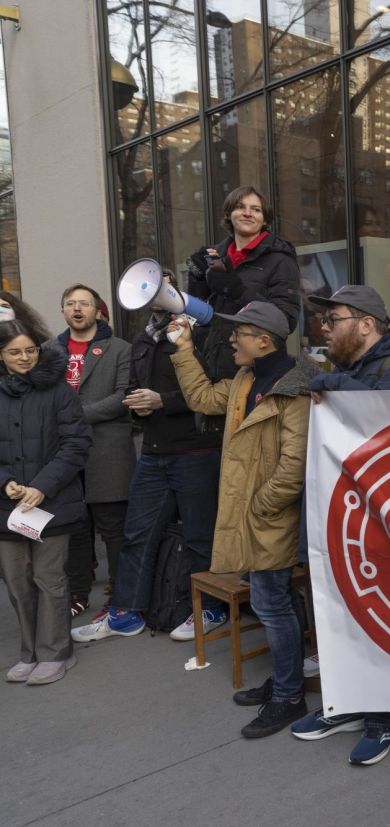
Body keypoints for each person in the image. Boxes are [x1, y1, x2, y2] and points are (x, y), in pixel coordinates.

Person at [289, 284, 390, 766]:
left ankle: (383, 716)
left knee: (381, 614)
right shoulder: (348, 369)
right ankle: (344, 703)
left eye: (336, 320)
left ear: (367, 324)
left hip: (382, 521)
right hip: (341, 513)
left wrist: (330, 383)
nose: (326, 329)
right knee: (337, 613)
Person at [168, 301, 318, 739]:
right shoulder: (245, 380)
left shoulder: (295, 390)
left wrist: (261, 507)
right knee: (279, 601)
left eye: (241, 333)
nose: (233, 338)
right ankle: (287, 681)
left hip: (271, 516)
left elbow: (294, 462)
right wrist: (183, 348)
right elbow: (200, 397)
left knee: (271, 604)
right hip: (255, 515)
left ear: (264, 340)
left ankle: (289, 696)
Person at [72, 273, 227, 644]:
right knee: (137, 533)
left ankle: (211, 606)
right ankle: (126, 611)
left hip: (196, 449)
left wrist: (163, 401)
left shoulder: (203, 331)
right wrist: (134, 405)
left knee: (199, 535)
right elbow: (132, 386)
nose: (154, 291)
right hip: (155, 450)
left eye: (162, 283)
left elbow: (217, 389)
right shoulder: (144, 337)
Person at [0, 323, 91, 685]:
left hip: (52, 503)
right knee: (17, 581)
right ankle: (31, 652)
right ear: (1, 355)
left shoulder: (58, 390)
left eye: (30, 350)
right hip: (8, 507)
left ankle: (56, 652)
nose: (24, 358)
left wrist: (41, 486)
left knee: (48, 578)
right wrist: (5, 483)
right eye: (15, 352)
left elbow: (77, 443)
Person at [56, 284, 133, 616]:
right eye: (70, 303)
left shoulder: (120, 349)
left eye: (84, 303)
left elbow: (123, 397)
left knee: (113, 527)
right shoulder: (47, 350)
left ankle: (120, 592)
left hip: (108, 450)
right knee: (74, 526)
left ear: (97, 310)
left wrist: (72, 417)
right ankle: (78, 592)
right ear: (63, 311)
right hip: (62, 453)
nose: (77, 309)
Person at [186, 185, 300, 381]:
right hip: (210, 366)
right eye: (240, 207)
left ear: (265, 219)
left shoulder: (280, 259)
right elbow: (196, 315)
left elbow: (286, 320)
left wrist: (236, 290)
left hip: (255, 372)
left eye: (256, 209)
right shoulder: (215, 256)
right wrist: (196, 281)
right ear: (229, 214)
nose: (248, 213)